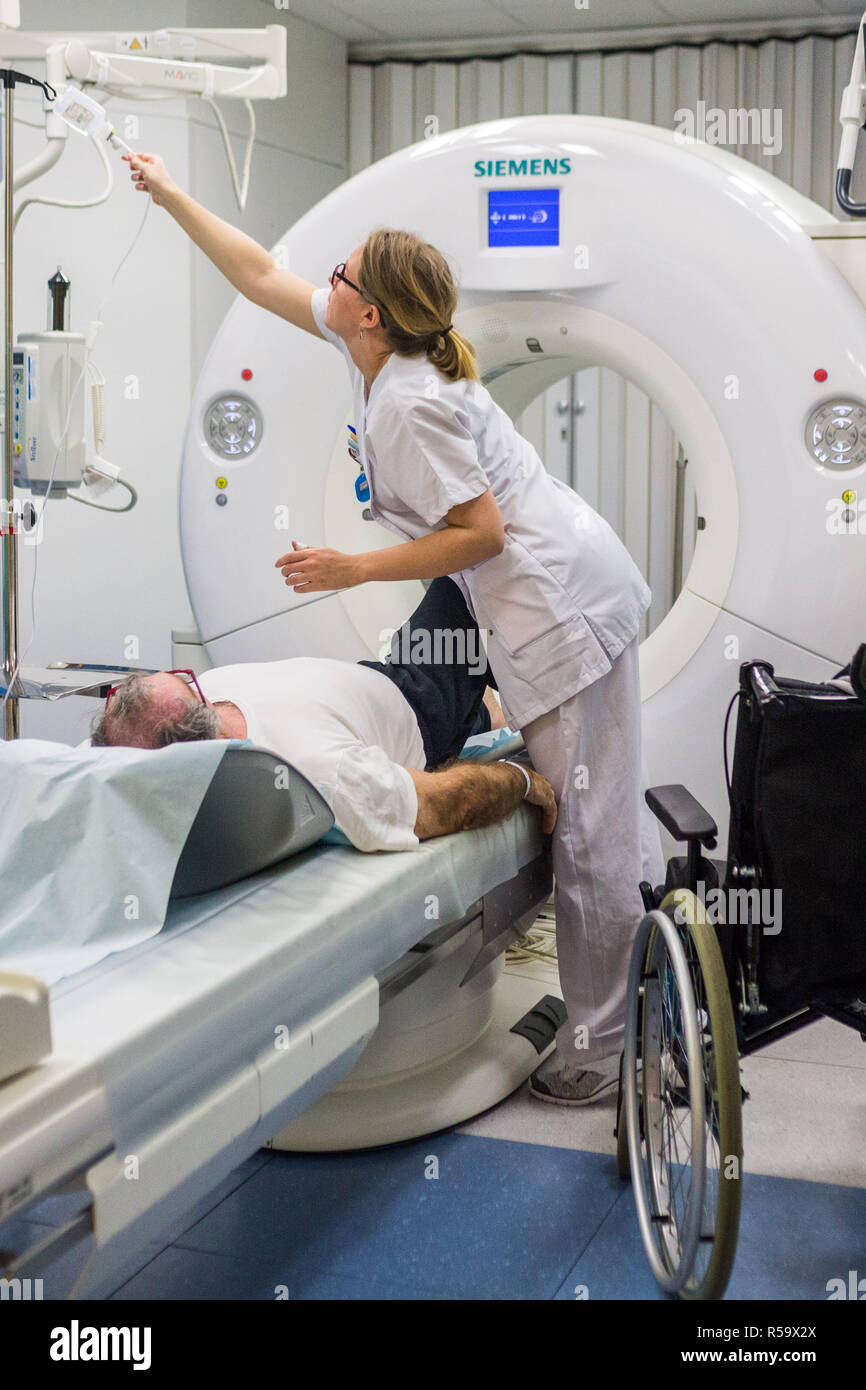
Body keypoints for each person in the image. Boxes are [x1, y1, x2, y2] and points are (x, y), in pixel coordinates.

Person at [124, 152, 665, 1105]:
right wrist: (172, 192)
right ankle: (635, 1002)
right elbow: (257, 274)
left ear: (370, 311)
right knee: (592, 815)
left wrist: (351, 568)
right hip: (528, 607)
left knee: (592, 833)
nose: (326, 279)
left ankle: (605, 1049)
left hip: (562, 606)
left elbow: (480, 532)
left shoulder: (413, 401)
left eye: (341, 273)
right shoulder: (374, 357)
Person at [91, 576, 556, 853]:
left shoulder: (182, 720)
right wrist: (521, 778)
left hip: (376, 686)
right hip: (420, 708)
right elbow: (446, 804)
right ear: (200, 710)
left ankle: (484, 715)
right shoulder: (317, 772)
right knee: (473, 575)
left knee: (470, 666)